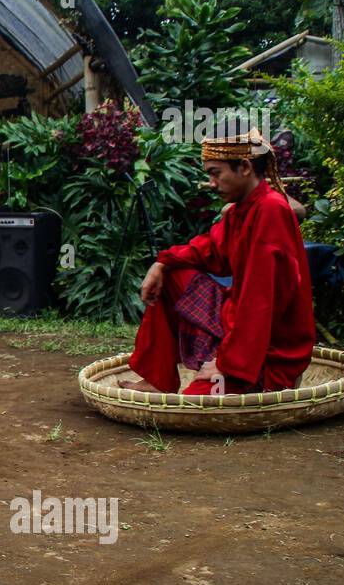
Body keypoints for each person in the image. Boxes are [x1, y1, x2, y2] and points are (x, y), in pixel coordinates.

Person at [126, 130, 315, 396]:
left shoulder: (270, 210)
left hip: (268, 350)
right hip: (237, 322)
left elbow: (259, 303)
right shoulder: (243, 208)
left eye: (216, 173)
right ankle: (158, 380)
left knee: (193, 403)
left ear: (245, 167)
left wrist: (226, 365)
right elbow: (211, 250)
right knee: (171, 275)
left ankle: (248, 377)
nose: (212, 183)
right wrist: (162, 264)